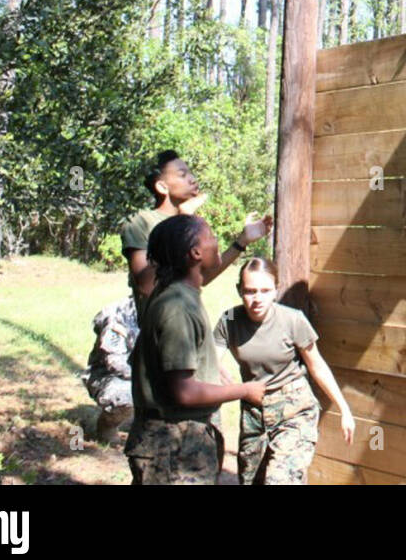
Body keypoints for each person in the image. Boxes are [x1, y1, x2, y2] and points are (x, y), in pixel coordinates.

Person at [124, 214, 266, 485]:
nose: (216, 242)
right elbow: (184, 392)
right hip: (172, 446)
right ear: (195, 253)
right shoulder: (178, 307)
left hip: (175, 441)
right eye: (211, 237)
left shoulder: (176, 293)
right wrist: (245, 390)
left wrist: (212, 368)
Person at [213, 258, 357, 485]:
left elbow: (316, 365)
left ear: (275, 290)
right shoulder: (230, 318)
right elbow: (210, 357)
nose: (257, 299)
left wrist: (344, 409)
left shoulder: (292, 320)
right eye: (250, 291)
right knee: (251, 480)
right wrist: (219, 372)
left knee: (280, 480)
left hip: (293, 410)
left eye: (265, 291)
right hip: (253, 412)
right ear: (239, 290)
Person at [118, 150, 272, 318]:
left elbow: (202, 278)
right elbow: (147, 285)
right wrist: (184, 219)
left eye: (190, 172)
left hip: (191, 325)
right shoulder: (140, 222)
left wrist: (242, 241)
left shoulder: (193, 222)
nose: (192, 179)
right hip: (162, 332)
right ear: (162, 187)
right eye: (182, 175)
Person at [80, 295, 139, 443]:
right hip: (109, 376)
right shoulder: (119, 314)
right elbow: (115, 361)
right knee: (127, 396)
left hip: (150, 375)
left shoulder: (172, 310)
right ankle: (107, 425)